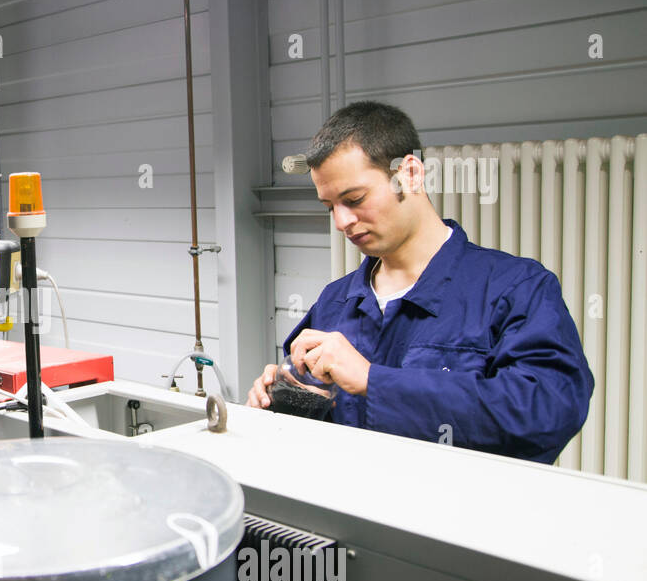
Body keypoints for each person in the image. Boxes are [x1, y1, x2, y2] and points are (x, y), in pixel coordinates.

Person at [246, 101, 593, 464]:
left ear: (408, 173)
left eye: (354, 199)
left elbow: (549, 411)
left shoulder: (515, 288)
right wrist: (285, 400)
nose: (341, 222)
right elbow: (319, 424)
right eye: (330, 206)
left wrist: (373, 381)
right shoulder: (335, 301)